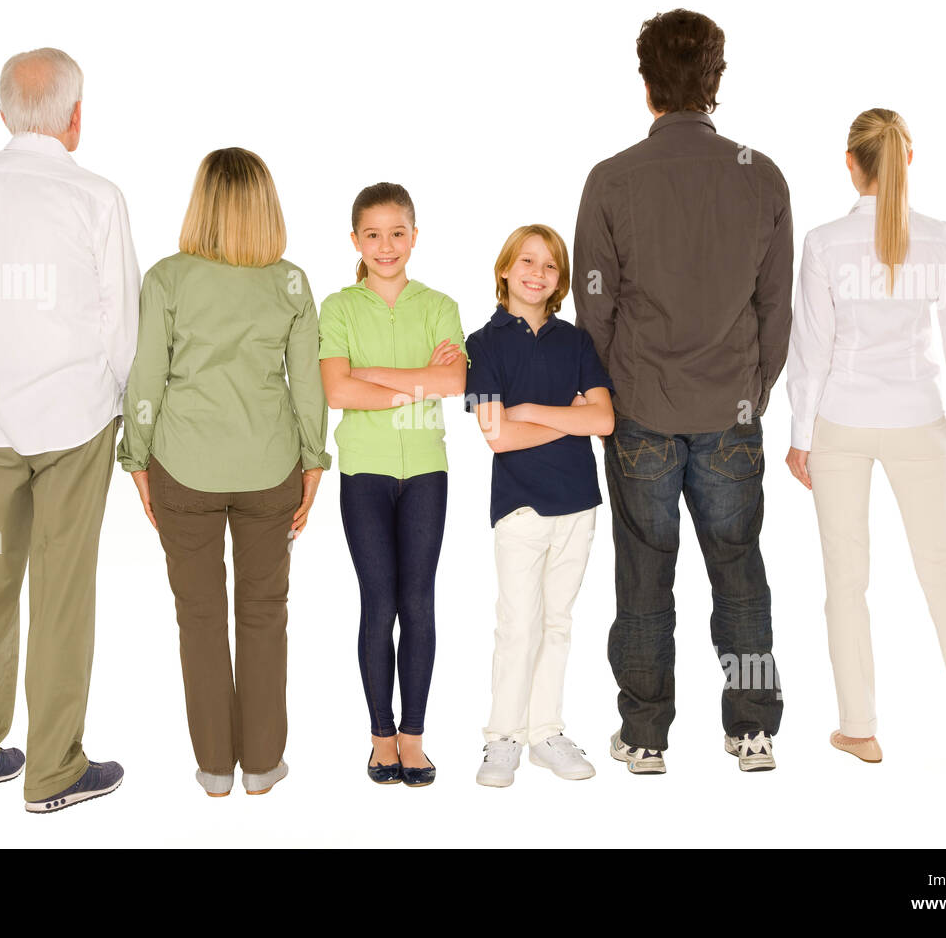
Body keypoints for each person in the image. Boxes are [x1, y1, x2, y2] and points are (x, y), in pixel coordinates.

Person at [574, 9, 793, 774]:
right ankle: (755, 726)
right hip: (730, 409)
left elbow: (593, 309)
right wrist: (752, 395)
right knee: (742, 574)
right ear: (715, 81)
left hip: (641, 412)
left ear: (646, 87)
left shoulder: (611, 180)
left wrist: (610, 404)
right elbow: (777, 307)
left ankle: (643, 735)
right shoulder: (760, 176)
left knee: (643, 574)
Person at [784, 109, 946, 763]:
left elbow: (809, 347)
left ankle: (858, 729)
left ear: (850, 162)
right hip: (922, 422)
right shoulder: (945, 239)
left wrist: (798, 435)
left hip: (840, 422)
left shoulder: (825, 242)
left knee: (845, 579)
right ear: (908, 161)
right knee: (945, 574)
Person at [0, 48, 137, 812]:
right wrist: (119, 406)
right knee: (60, 591)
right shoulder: (96, 197)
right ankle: (54, 769)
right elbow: (122, 324)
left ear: (3, 114)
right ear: (76, 117)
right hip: (72, 423)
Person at [118, 148, 330, 797]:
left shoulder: (167, 279)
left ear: (200, 203)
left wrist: (136, 460)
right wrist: (315, 462)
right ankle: (263, 767)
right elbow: (308, 387)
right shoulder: (290, 281)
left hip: (183, 466)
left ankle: (215, 769)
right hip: (272, 469)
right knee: (266, 614)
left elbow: (146, 379)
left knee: (200, 617)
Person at [318, 183, 467, 787]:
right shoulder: (338, 307)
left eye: (397, 233)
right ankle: (381, 736)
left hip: (426, 472)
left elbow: (456, 383)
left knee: (419, 604)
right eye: (372, 235)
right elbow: (336, 392)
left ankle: (414, 737)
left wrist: (373, 375)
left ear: (414, 236)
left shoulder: (438, 304)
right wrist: (419, 380)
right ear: (355, 240)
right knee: (378, 605)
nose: (386, 246)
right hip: (365, 472)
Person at [465, 225, 615, 788]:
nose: (538, 272)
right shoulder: (482, 343)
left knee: (558, 622)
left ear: (561, 281)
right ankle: (501, 739)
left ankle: (546, 732)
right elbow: (497, 436)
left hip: (578, 504)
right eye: (527, 261)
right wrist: (560, 415)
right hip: (520, 507)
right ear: (505, 268)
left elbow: (602, 421)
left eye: (551, 266)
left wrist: (526, 409)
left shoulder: (575, 341)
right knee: (518, 625)